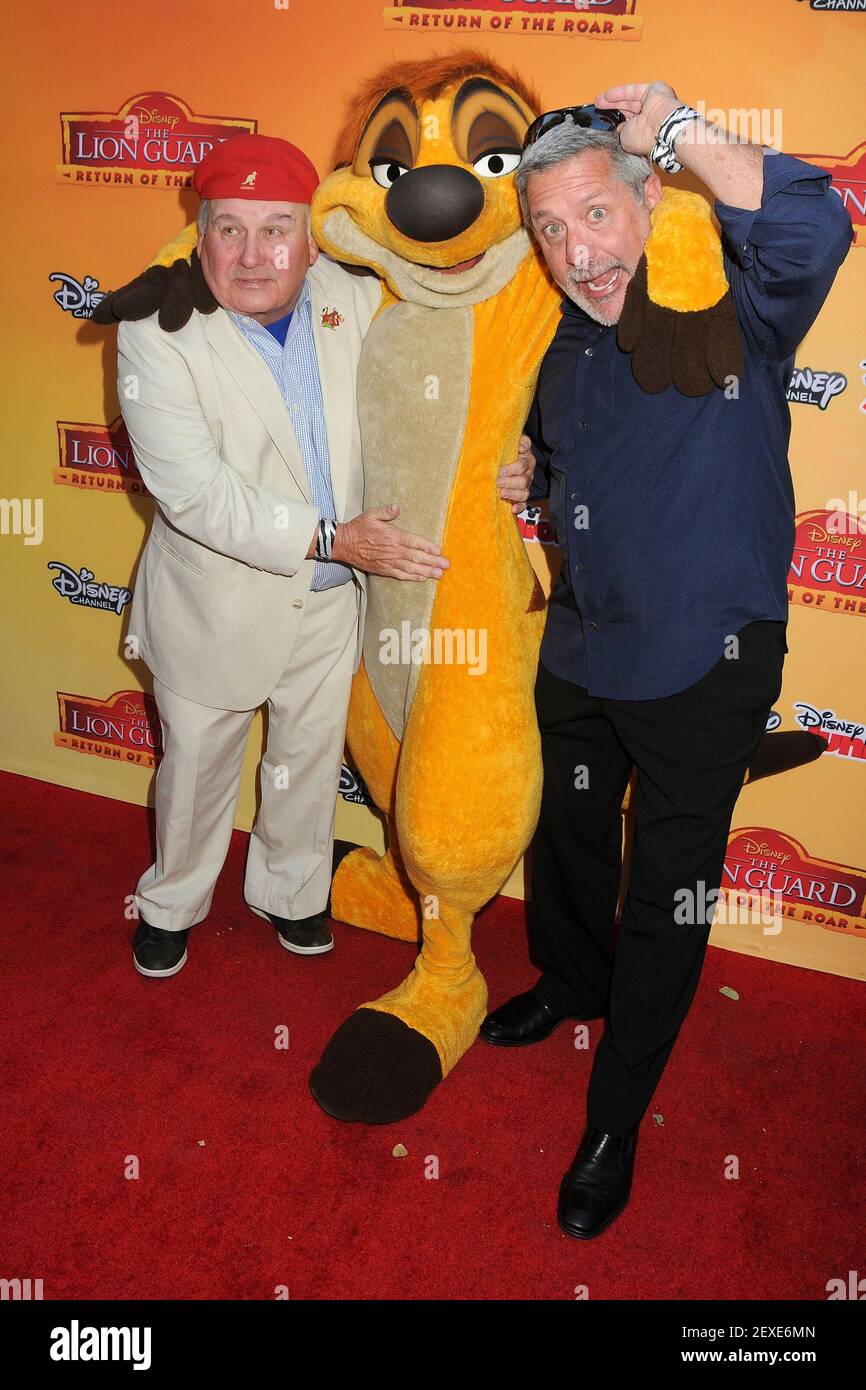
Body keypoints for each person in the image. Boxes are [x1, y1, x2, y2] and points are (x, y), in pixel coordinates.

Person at [480, 84, 853, 1238]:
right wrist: (531, 486)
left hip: (706, 655)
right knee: (569, 829)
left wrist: (678, 128)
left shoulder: (734, 310)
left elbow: (814, 224)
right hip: (586, 639)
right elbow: (581, 467)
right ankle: (572, 977)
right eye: (547, 229)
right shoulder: (556, 344)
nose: (571, 250)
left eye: (593, 214)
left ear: (648, 201)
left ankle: (614, 1116)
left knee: (668, 890)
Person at [114, 134, 535, 978]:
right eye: (228, 229)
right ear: (200, 238)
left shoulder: (360, 295)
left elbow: (433, 396)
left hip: (338, 597)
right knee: (196, 770)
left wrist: (502, 460)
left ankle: (292, 891)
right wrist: (330, 539)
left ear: (315, 237)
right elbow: (192, 493)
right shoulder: (156, 328)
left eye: (277, 228)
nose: (253, 254)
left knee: (307, 760)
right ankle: (172, 901)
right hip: (216, 600)